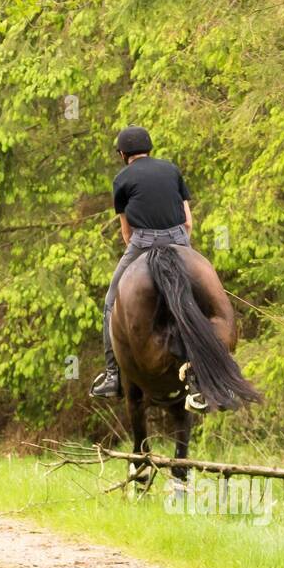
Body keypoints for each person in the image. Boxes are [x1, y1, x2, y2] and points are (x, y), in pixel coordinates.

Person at [89, 126, 193, 399]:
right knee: (199, 296)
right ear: (150, 148)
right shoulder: (171, 170)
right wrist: (182, 244)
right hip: (179, 239)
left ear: (123, 154)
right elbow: (188, 220)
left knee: (111, 301)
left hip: (143, 242)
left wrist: (139, 253)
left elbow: (127, 231)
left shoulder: (122, 178)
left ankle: (112, 376)